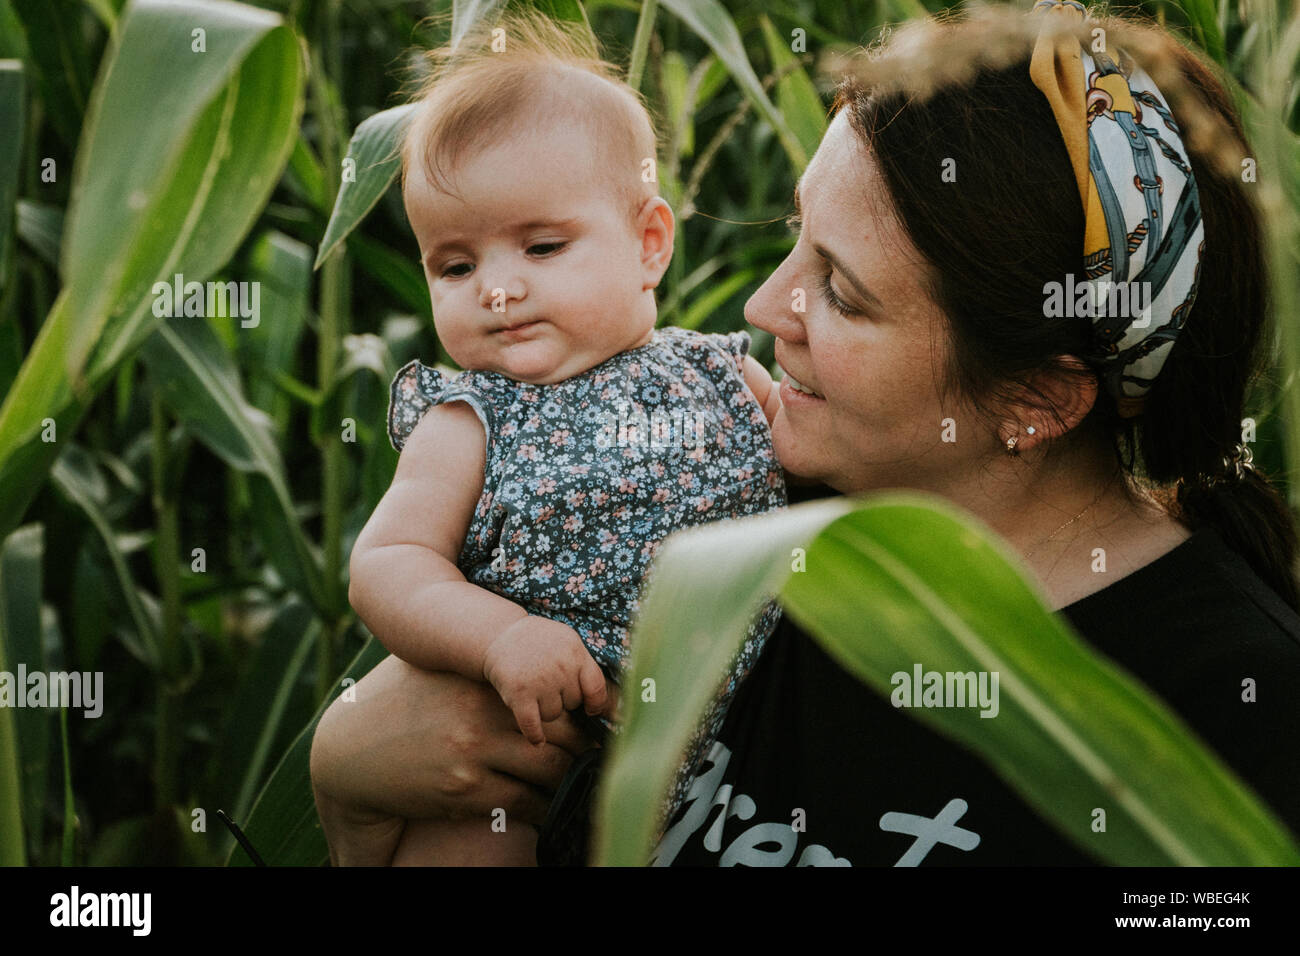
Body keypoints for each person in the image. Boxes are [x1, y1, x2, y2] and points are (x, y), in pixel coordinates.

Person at [311, 2, 1300, 865]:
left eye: (842, 292)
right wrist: (349, 787)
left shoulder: (1237, 719)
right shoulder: (736, 525)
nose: (762, 303)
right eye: (794, 239)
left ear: (1036, 396)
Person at [345, 10, 786, 865]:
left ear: (650, 243)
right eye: (456, 266)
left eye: (542, 246)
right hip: (527, 758)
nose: (498, 291)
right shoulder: (467, 417)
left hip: (729, 765)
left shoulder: (722, 374)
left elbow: (826, 486)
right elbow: (388, 565)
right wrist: (500, 637)